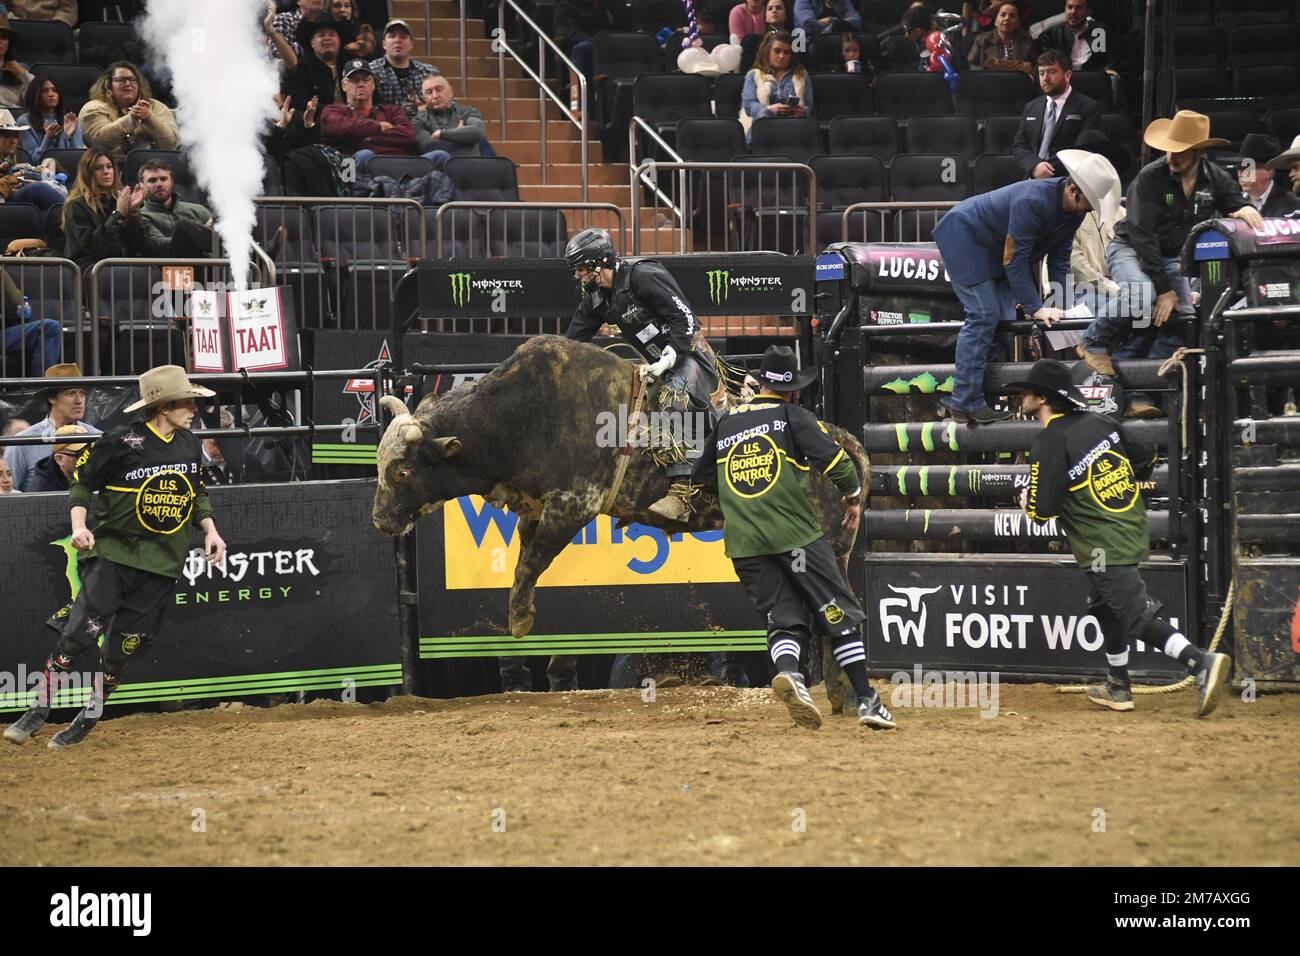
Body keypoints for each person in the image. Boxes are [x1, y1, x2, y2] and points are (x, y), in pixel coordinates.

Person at [3, 364, 226, 749]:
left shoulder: (189, 443)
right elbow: (83, 483)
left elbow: (196, 492)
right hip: (114, 555)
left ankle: (88, 718)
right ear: (163, 406)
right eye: (187, 402)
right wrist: (78, 526)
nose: (194, 408)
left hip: (162, 564)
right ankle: (37, 710)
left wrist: (210, 530)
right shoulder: (122, 442)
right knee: (77, 636)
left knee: (122, 649)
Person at [1011, 358, 1230, 717]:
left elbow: (1041, 511)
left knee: (1134, 615)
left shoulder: (1050, 441)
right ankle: (1118, 684)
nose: (1022, 396)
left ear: (1041, 398)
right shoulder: (1100, 422)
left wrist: (1025, 498)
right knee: (1104, 607)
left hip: (1102, 541)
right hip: (1127, 526)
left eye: (1026, 391)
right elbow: (1145, 458)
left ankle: (1199, 661)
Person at [691, 345, 894, 730]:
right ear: (792, 389)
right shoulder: (792, 416)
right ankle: (867, 699)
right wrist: (853, 498)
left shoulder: (727, 422)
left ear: (762, 382)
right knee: (838, 612)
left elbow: (701, 477)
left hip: (745, 544)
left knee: (783, 616)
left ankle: (792, 675)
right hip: (795, 536)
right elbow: (836, 461)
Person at [1080, 111, 1264, 415]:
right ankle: (1093, 340)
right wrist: (1165, 290)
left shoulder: (1216, 178)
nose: (1171, 156)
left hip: (1171, 256)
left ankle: (1142, 394)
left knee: (1179, 318)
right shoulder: (1150, 177)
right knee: (1142, 294)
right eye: (1169, 149)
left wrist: (1242, 209)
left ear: (1198, 153)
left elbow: (1231, 201)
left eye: (1179, 151)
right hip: (1131, 247)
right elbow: (1142, 235)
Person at [932, 149, 1119, 423]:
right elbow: (1015, 259)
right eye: (1088, 203)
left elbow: (1059, 260)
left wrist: (1063, 309)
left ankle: (962, 396)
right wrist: (1036, 308)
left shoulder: (1075, 213)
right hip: (967, 238)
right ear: (1073, 190)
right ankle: (964, 401)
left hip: (997, 249)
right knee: (983, 315)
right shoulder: (1034, 200)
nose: (1089, 209)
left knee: (1005, 324)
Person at [563, 227, 725, 521]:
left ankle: (681, 493)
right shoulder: (598, 299)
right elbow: (572, 341)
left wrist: (670, 356)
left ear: (601, 262)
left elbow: (684, 317)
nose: (579, 275)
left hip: (688, 355)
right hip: (655, 366)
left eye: (583, 268)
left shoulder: (643, 275)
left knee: (673, 397)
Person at [7, 363, 101, 493]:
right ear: (52, 398)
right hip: (39, 511)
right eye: (71, 393)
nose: (79, 400)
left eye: (82, 393)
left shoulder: (97, 437)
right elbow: (8, 492)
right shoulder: (21, 442)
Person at [1012, 50, 1101, 179]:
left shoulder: (1088, 107)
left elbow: (1082, 150)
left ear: (1067, 75)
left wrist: (1047, 169)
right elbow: (1019, 146)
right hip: (1033, 177)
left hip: (1067, 179)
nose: (1045, 78)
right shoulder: (1031, 107)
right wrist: (1035, 166)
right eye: (1041, 73)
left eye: (1052, 72)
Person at [321, 59, 419, 172]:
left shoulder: (392, 110)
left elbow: (408, 135)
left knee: (438, 155)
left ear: (373, 85)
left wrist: (368, 137)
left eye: (366, 80)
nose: (361, 84)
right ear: (344, 86)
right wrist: (378, 127)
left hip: (395, 165)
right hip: (352, 171)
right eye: (354, 81)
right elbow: (339, 128)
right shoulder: (333, 110)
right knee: (364, 155)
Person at [79, 61, 180, 165]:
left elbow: (171, 145)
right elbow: (97, 142)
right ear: (108, 85)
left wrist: (150, 118)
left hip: (152, 168)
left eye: (132, 80)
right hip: (109, 168)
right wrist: (130, 120)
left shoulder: (156, 107)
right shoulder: (93, 108)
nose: (128, 84)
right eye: (121, 80)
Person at [61, 148, 141, 268]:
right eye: (98, 168)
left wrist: (133, 212)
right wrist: (117, 215)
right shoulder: (76, 205)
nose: (106, 172)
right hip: (91, 269)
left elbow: (137, 245)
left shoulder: (119, 200)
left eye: (109, 167)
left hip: (122, 266)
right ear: (88, 173)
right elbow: (92, 247)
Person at [130, 158, 215, 259]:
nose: (159, 184)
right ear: (141, 186)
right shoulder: (142, 216)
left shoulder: (198, 210)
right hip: (170, 267)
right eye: (152, 180)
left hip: (211, 268)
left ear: (172, 182)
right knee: (184, 227)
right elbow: (159, 246)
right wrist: (195, 234)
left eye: (163, 179)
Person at [740, 31, 812, 143]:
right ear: (767, 51)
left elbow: (809, 105)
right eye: (777, 51)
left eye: (787, 52)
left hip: (793, 130)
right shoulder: (753, 75)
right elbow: (749, 105)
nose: (781, 56)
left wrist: (803, 111)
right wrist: (769, 110)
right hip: (763, 129)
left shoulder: (801, 75)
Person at [367, 19, 443, 120]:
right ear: (384, 44)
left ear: (411, 44)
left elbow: (446, 103)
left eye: (403, 37)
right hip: (388, 128)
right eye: (392, 36)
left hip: (426, 127)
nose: (397, 40)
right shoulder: (371, 71)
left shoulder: (429, 72)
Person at [282, 12, 356, 108]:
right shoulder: (302, 69)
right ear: (312, 42)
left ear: (339, 40)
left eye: (332, 34)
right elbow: (297, 103)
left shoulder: (350, 64)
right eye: (321, 35)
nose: (327, 38)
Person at [413, 74, 486, 168]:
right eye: (429, 92)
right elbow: (428, 145)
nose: (435, 96)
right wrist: (462, 135)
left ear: (451, 92)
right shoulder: (418, 121)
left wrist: (441, 134)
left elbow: (478, 132)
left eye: (439, 89)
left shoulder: (467, 112)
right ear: (424, 99)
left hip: (471, 169)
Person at [0, 110, 66, 212]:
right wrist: (13, 178)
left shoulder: (11, 160)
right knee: (37, 189)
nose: (13, 141)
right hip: (5, 203)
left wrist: (31, 172)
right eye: (7, 136)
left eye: (15, 136)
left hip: (16, 201)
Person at [1, 270, 63, 376]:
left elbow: (17, 300)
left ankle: (42, 387)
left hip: (5, 332)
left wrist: (22, 308)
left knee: (50, 327)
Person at [1032, 0, 1116, 76]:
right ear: (1065, 9)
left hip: (1092, 78)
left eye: (1079, 8)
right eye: (1070, 7)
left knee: (1113, 81)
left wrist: (1108, 69)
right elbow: (1047, 62)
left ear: (1088, 12)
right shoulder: (1052, 33)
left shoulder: (1097, 31)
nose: (1073, 12)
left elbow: (1106, 59)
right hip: (1063, 79)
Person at [17, 74, 82, 163]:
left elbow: (80, 159)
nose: (51, 94)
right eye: (44, 91)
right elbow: (32, 161)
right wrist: (48, 139)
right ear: (34, 95)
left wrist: (69, 137)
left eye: (54, 90)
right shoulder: (25, 121)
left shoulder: (69, 121)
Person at [1237, 133, 1300, 218]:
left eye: (1248, 169)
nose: (1241, 174)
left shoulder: (1292, 203)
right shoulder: (1230, 203)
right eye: (1239, 168)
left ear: (1269, 171)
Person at [966, 2, 1032, 75]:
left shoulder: (1026, 39)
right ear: (996, 21)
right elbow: (971, 65)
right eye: (1003, 15)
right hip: (989, 82)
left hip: (1018, 83)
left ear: (1018, 23)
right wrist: (985, 70)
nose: (1007, 18)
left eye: (1012, 16)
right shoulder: (982, 39)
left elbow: (1035, 66)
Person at [26, 422, 88, 493]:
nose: (87, 459)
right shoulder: (42, 492)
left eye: (90, 451)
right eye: (81, 454)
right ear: (59, 459)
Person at [0, 15, 33, 113]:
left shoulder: (19, 70)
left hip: (14, 121)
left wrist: (24, 74)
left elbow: (37, 99)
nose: (0, 42)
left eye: (4, 38)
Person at [793, 0, 861, 39]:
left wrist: (832, 21)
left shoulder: (843, 1)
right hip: (812, 40)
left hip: (843, 38)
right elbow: (808, 23)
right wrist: (834, 26)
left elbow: (857, 21)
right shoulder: (803, 1)